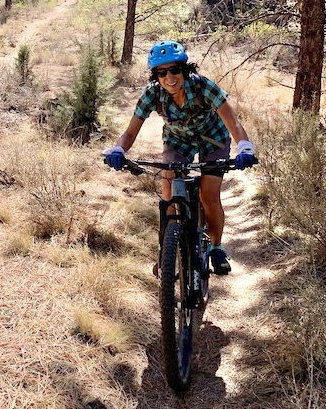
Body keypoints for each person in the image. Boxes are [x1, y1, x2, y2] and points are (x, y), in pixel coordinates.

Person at [103, 40, 255, 275]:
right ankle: (169, 250)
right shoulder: (152, 94)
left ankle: (216, 248)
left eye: (175, 70)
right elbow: (131, 131)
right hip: (178, 141)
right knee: (169, 186)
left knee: (209, 193)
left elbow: (233, 122)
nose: (169, 77)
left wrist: (244, 147)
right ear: (156, 76)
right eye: (162, 73)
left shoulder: (204, 87)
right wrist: (118, 150)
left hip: (212, 139)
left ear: (185, 69)